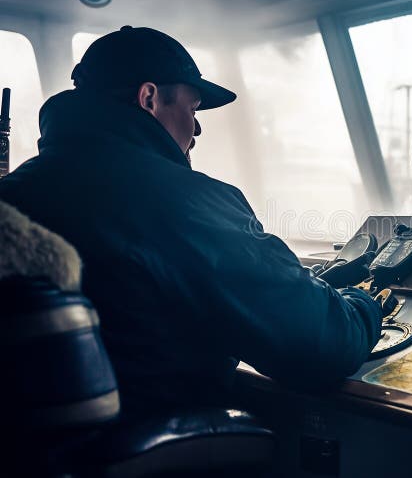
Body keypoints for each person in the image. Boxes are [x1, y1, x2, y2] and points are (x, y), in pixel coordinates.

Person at [0, 26, 383, 414]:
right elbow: (320, 348)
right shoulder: (182, 200)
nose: (197, 128)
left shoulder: (15, 191)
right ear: (149, 98)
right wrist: (365, 304)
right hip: (151, 445)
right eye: (193, 109)